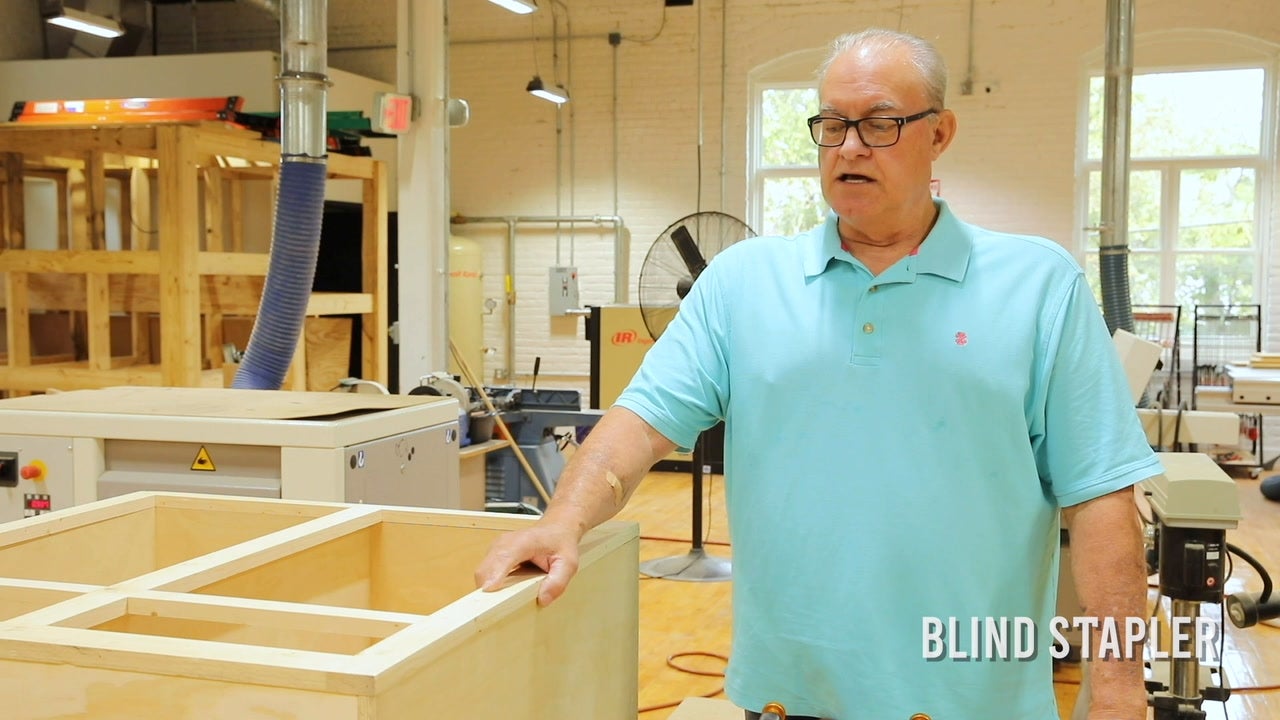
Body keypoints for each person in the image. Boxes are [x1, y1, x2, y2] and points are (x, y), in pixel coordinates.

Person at [475, 27, 1159, 720]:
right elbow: (640, 423)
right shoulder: (742, 282)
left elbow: (1100, 497)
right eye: (832, 125)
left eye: (880, 123)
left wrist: (1119, 690)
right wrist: (564, 519)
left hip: (974, 698)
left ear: (940, 133)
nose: (850, 146)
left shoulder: (1040, 285)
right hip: (786, 697)